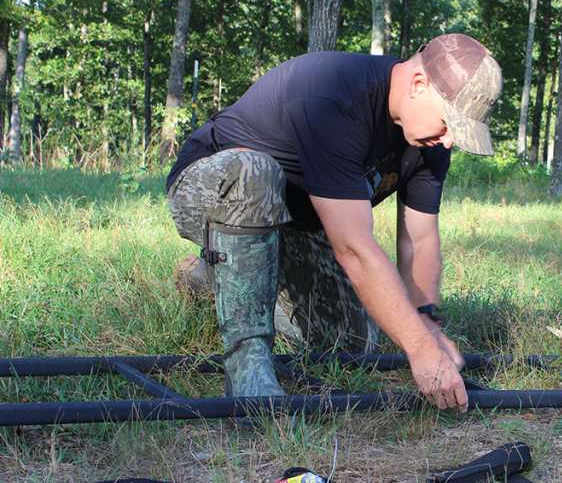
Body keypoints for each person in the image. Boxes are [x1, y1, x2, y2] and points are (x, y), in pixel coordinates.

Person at [165, 34, 502, 412]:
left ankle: (217, 280)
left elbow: (420, 239)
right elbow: (354, 249)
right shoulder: (334, 95)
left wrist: (428, 325)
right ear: (418, 84)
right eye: (448, 123)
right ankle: (247, 362)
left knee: (353, 341)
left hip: (294, 221)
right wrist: (420, 351)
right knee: (253, 171)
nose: (449, 141)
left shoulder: (428, 142)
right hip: (210, 189)